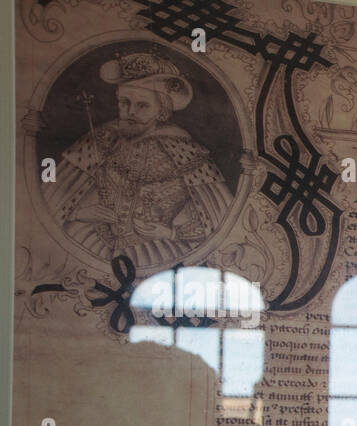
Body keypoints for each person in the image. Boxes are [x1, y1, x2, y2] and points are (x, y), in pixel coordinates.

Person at [49, 52, 234, 266]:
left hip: (159, 254)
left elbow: (220, 219)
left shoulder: (187, 151)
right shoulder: (102, 138)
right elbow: (55, 201)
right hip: (92, 244)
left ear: (162, 111)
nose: (129, 112)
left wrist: (170, 233)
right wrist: (79, 213)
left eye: (142, 105)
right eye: (124, 103)